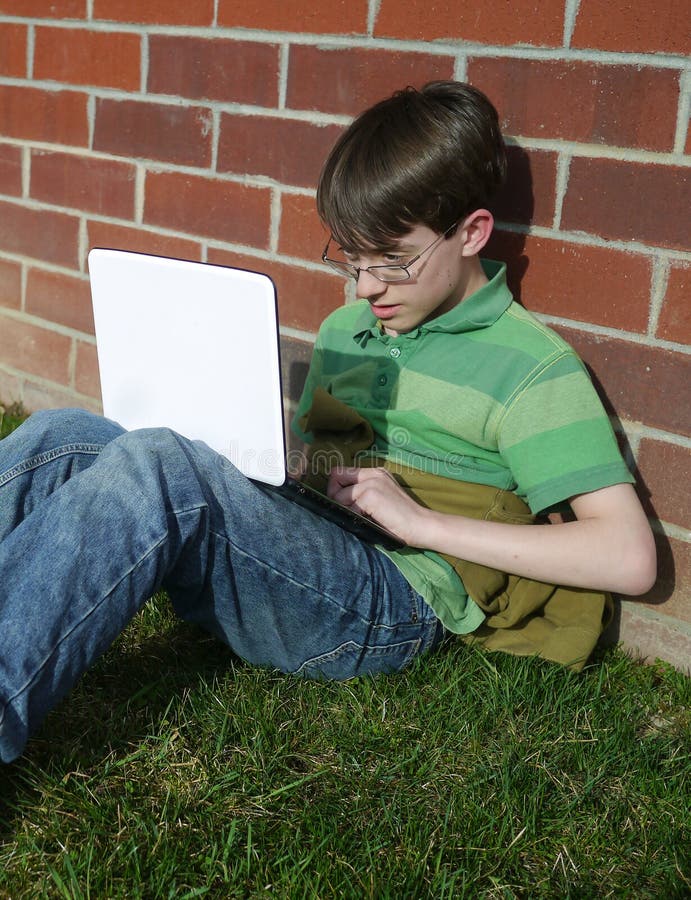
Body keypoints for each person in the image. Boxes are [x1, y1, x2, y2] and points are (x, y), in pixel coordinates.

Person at [0, 81, 656, 764]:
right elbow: (326, 458)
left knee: (157, 465)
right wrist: (262, 458)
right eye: (351, 257)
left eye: (391, 259)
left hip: (397, 599)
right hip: (321, 546)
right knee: (64, 436)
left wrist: (423, 524)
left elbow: (628, 558)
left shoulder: (529, 368)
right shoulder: (354, 328)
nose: (367, 284)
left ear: (471, 233)